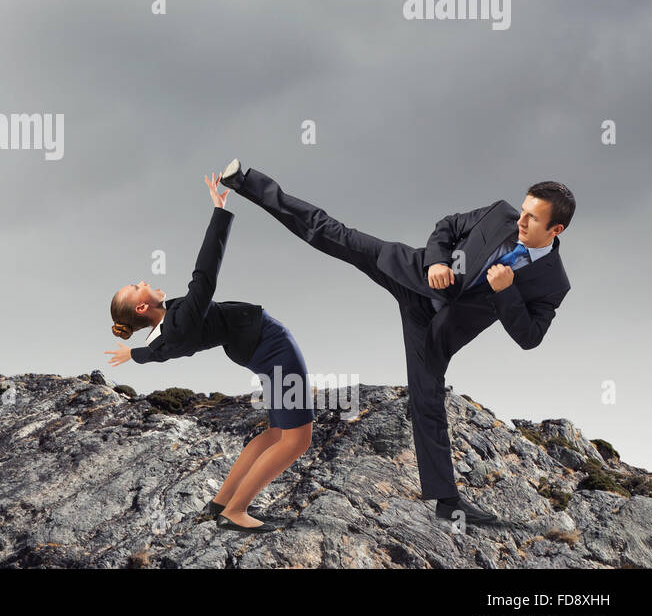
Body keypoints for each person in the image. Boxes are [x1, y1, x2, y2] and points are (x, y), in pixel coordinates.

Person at [216, 157, 573, 528]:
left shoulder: (552, 282)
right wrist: (436, 262)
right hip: (410, 273)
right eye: (524, 209)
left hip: (436, 330)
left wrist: (507, 293)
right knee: (333, 232)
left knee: (428, 401)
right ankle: (246, 181)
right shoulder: (500, 213)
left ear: (556, 228)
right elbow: (447, 227)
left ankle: (447, 503)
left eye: (533, 218)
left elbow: (530, 337)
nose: (521, 220)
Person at [106, 173, 314, 532]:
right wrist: (220, 213)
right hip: (272, 346)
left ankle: (221, 502)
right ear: (141, 309)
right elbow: (205, 274)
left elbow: (157, 354)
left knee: (277, 434)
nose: (142, 281)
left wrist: (134, 355)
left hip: (256, 350)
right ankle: (236, 510)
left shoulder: (163, 335)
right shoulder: (182, 319)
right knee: (297, 439)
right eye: (135, 287)